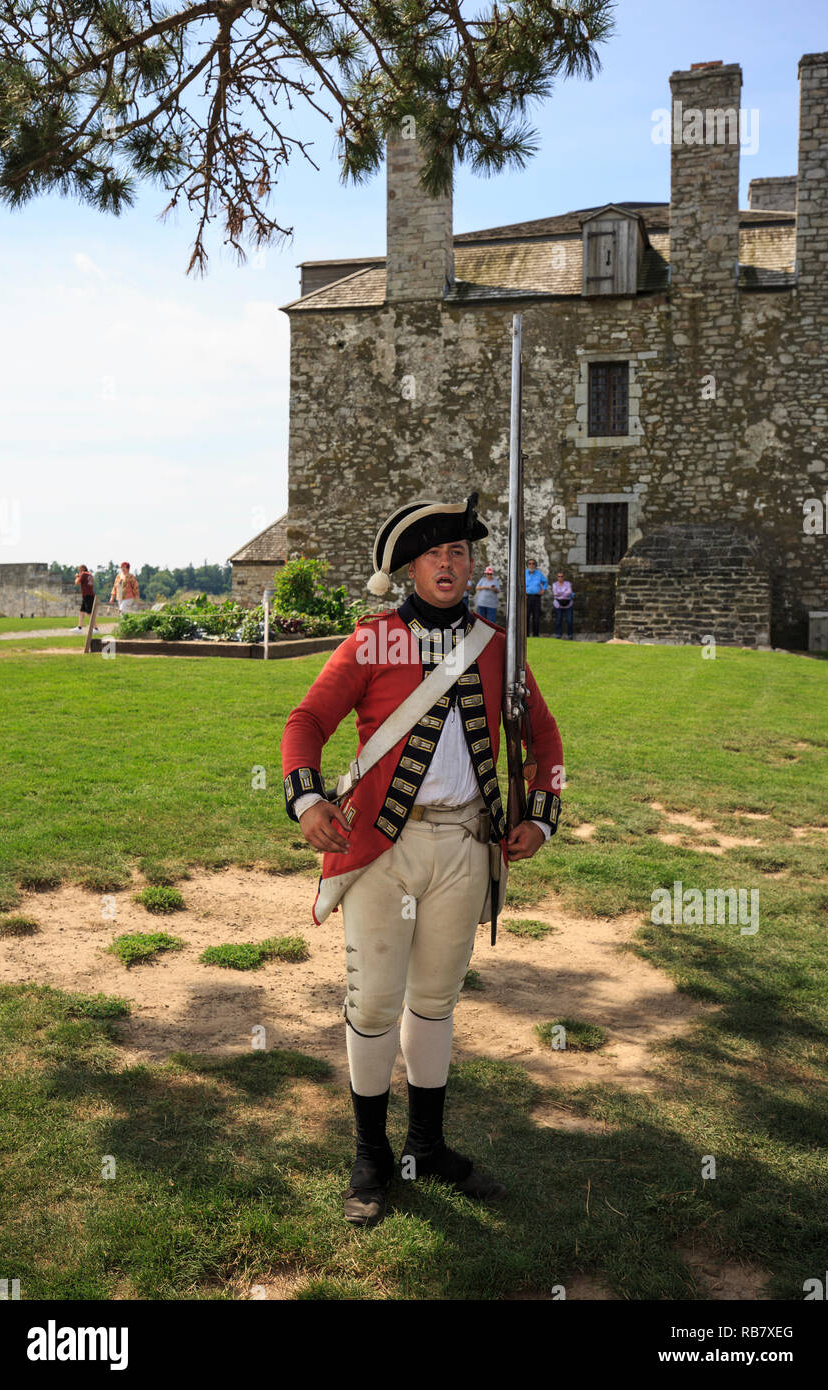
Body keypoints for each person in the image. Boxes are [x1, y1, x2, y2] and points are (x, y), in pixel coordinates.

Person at [281, 493, 564, 1228]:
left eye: (461, 552)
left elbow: (547, 742)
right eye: (436, 553)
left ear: (472, 565)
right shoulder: (373, 641)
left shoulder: (499, 646)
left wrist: (540, 815)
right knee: (374, 1003)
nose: (449, 563)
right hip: (383, 850)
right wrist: (308, 799)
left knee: (436, 1002)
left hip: (468, 847)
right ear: (410, 567)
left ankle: (428, 1147)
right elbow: (306, 721)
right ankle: (371, 1154)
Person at [71, 565, 99, 633]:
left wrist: (77, 576)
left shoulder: (83, 574)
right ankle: (79, 627)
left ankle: (96, 628)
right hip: (88, 595)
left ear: (82, 569)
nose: (79, 571)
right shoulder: (90, 575)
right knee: (81, 612)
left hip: (87, 596)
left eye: (79, 569)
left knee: (90, 613)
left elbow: (77, 582)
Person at [525, 558, 548, 637]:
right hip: (526, 598)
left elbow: (545, 582)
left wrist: (543, 589)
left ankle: (535, 635)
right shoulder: (524, 573)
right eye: (530, 563)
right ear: (527, 565)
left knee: (536, 617)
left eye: (533, 563)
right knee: (526, 616)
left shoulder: (539, 574)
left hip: (536, 597)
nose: (531, 565)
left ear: (535, 565)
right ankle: (526, 634)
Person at [552, 571, 575, 640]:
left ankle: (570, 634)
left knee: (569, 620)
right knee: (558, 620)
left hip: (568, 604)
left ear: (564, 577)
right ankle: (558, 634)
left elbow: (569, 592)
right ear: (557, 577)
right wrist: (565, 593)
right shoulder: (554, 584)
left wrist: (560, 594)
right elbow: (555, 593)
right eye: (559, 576)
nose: (560, 578)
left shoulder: (568, 583)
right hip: (558, 604)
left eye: (561, 576)